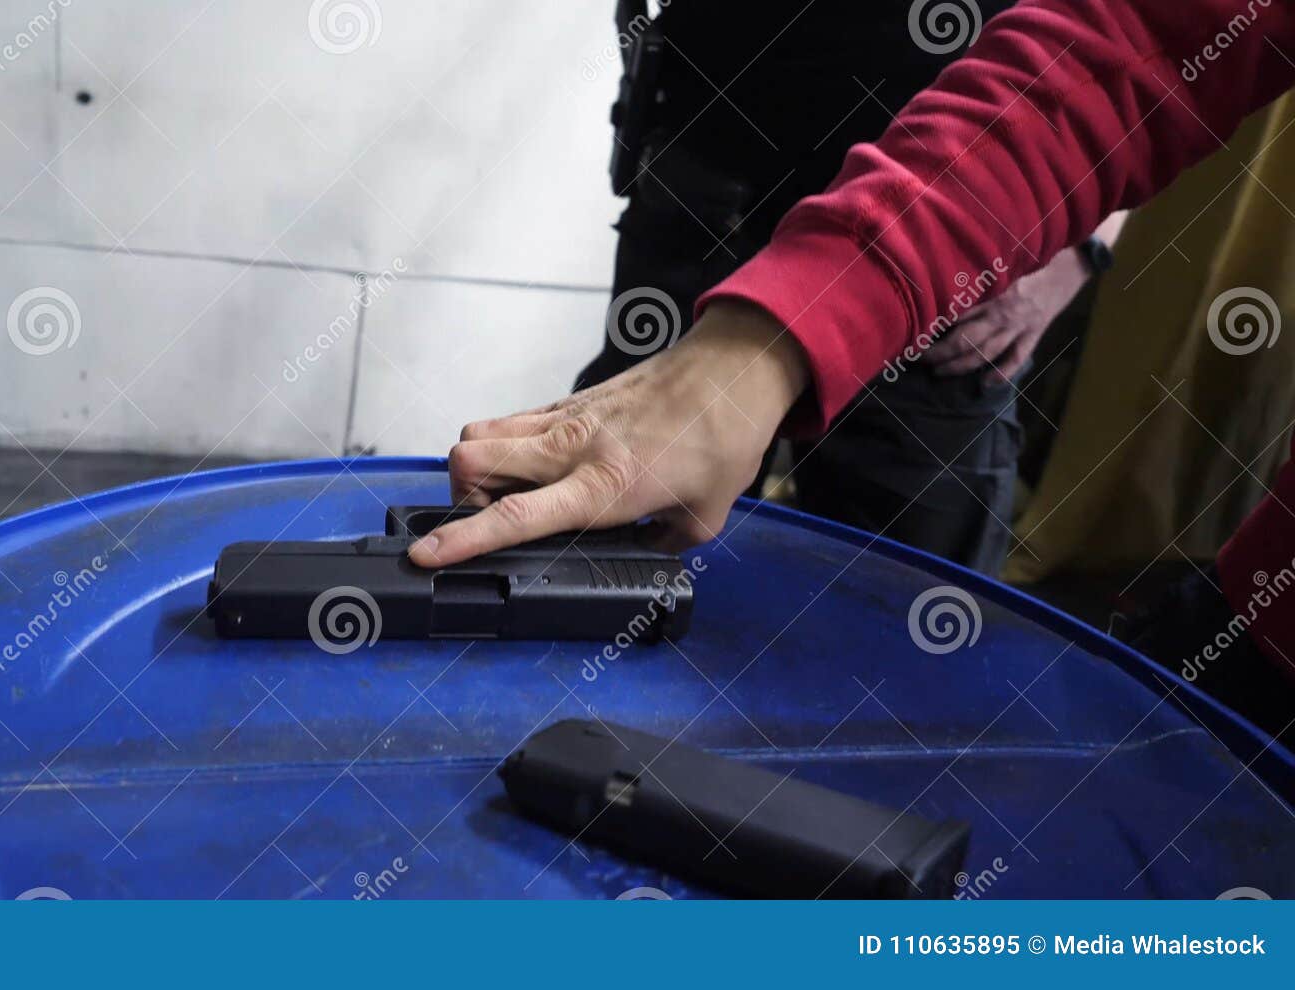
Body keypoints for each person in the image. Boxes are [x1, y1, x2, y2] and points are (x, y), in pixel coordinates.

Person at [410, 0, 1295, 720]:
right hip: (707, 165)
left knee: (904, 655)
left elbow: (1143, 48)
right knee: (580, 583)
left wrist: (1080, 243)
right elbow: (1139, 36)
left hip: (962, 260)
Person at [575, 0, 1123, 575]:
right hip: (707, 191)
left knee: (908, 609)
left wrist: (1082, 249)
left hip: (948, 251)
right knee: (613, 566)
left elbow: (1148, 45)